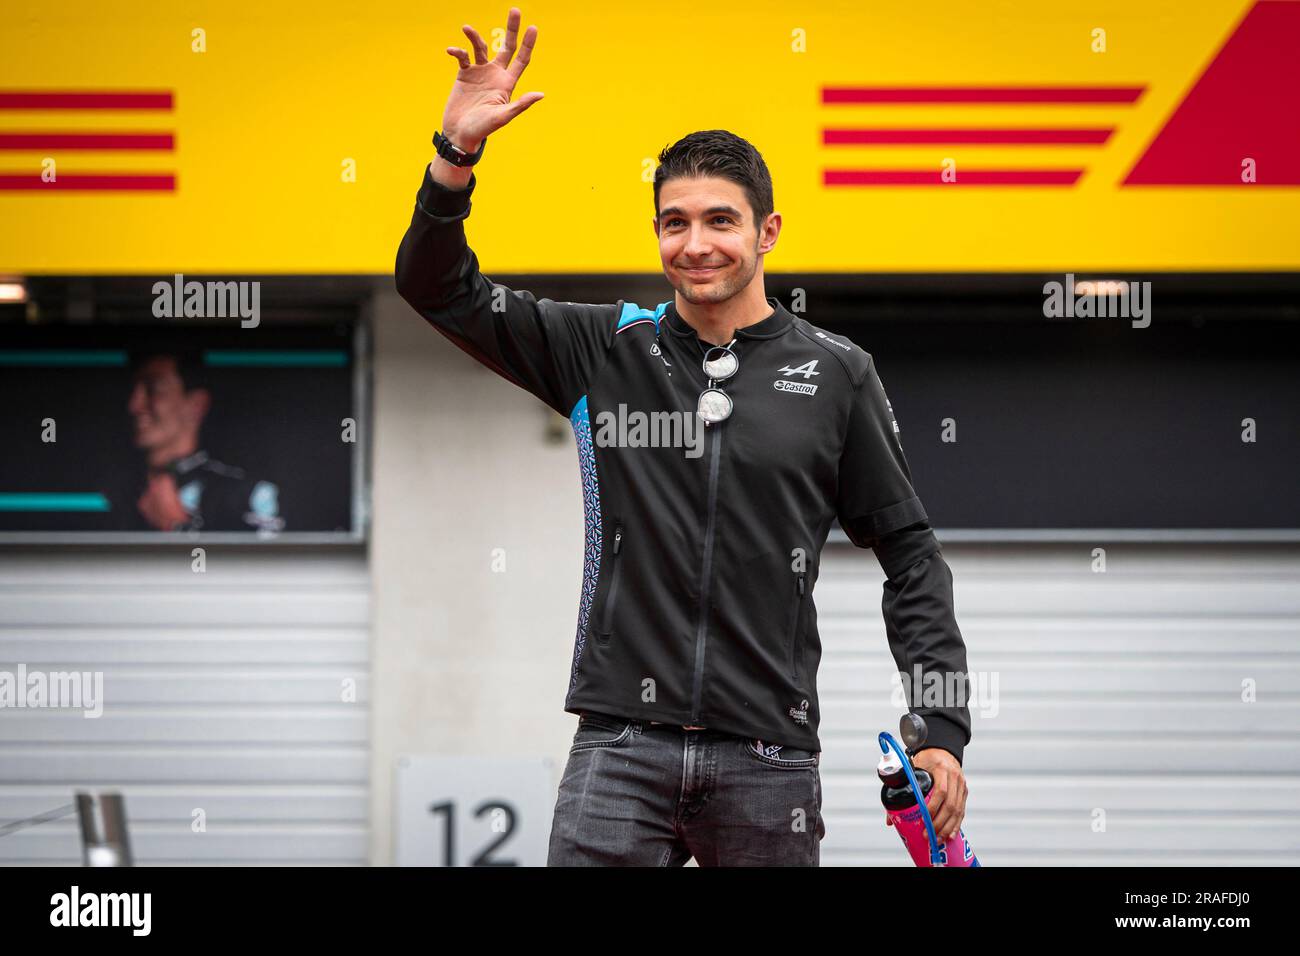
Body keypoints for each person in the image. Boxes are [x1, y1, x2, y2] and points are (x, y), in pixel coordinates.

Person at [395, 7, 971, 866]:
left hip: (767, 759)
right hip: (619, 749)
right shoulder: (604, 348)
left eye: (720, 221)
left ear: (767, 233)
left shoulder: (837, 374)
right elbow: (437, 290)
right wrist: (455, 156)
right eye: (674, 222)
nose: (695, 244)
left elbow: (912, 555)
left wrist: (940, 731)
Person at [121, 350, 284, 533]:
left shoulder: (250, 494)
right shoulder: (112, 492)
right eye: (131, 390)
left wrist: (177, 526)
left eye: (154, 390)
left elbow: (267, 559)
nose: (134, 405)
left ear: (196, 405)